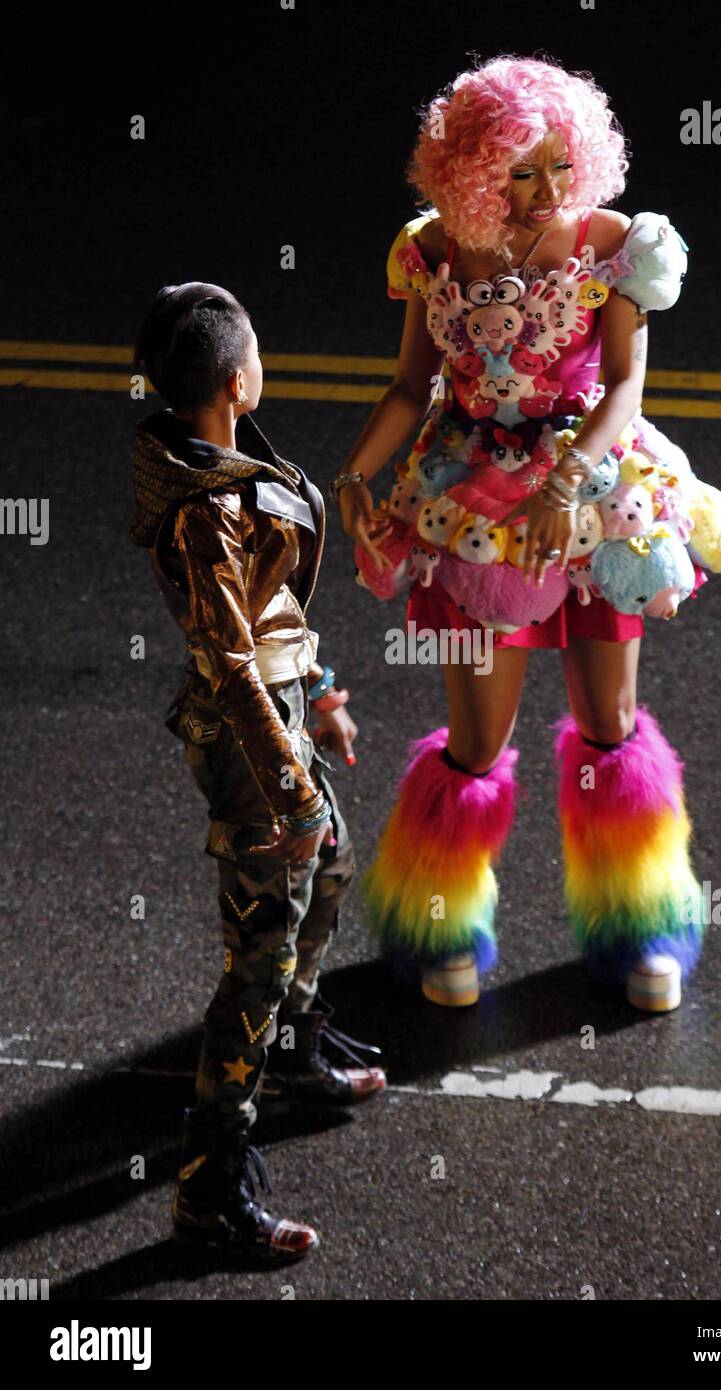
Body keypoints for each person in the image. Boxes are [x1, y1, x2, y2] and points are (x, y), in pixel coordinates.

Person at [335, 56, 721, 1014]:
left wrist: (566, 483)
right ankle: (439, 920)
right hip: (469, 490)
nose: (548, 191)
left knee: (610, 721)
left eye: (563, 166)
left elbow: (623, 389)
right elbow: (411, 387)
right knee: (478, 741)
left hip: (592, 482)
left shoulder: (616, 244)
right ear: (473, 174)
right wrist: (354, 477)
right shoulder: (431, 251)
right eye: (521, 171)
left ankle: (638, 922)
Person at [130, 283, 385, 1263]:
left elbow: (270, 609)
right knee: (259, 951)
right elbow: (232, 661)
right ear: (236, 380)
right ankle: (209, 1188)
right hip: (244, 742)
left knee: (330, 868)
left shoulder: (230, 462)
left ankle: (294, 1049)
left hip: (274, 718)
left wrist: (318, 689)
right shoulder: (203, 508)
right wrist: (285, 784)